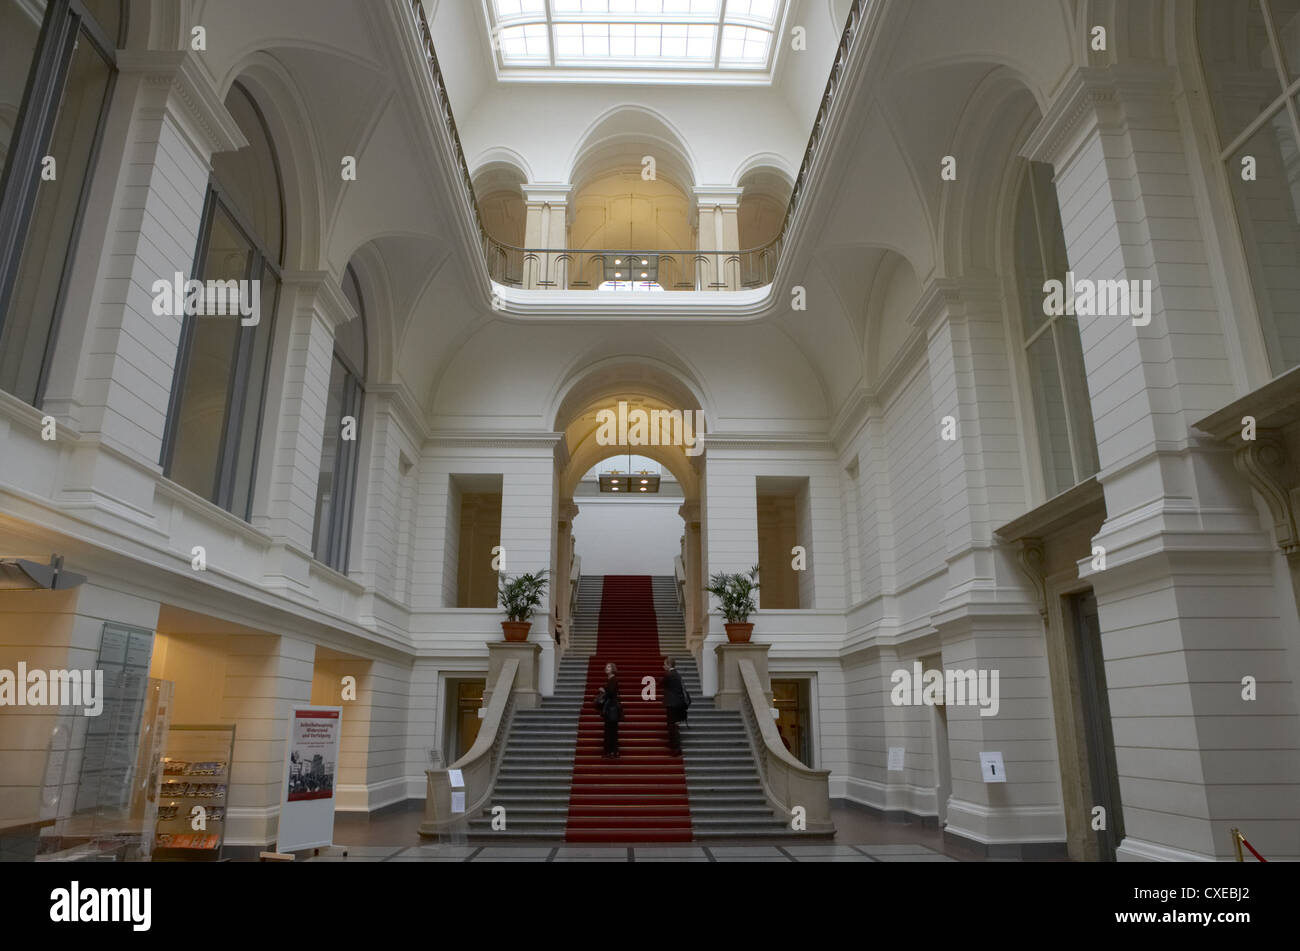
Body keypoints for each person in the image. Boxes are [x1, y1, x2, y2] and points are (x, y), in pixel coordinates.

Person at [661, 657, 688, 756]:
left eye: (664, 664)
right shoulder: (676, 674)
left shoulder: (669, 674)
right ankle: (673, 744)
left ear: (668, 665)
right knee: (672, 725)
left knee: (672, 726)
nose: (663, 666)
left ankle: (676, 747)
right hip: (677, 703)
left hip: (672, 703)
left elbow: (661, 683)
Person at [601, 662, 621, 759]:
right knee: (610, 730)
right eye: (606, 666)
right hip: (611, 708)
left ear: (613, 668)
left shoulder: (613, 679)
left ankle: (611, 752)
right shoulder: (610, 679)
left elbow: (611, 693)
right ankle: (612, 751)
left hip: (612, 709)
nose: (606, 668)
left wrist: (604, 691)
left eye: (609, 667)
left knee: (611, 730)